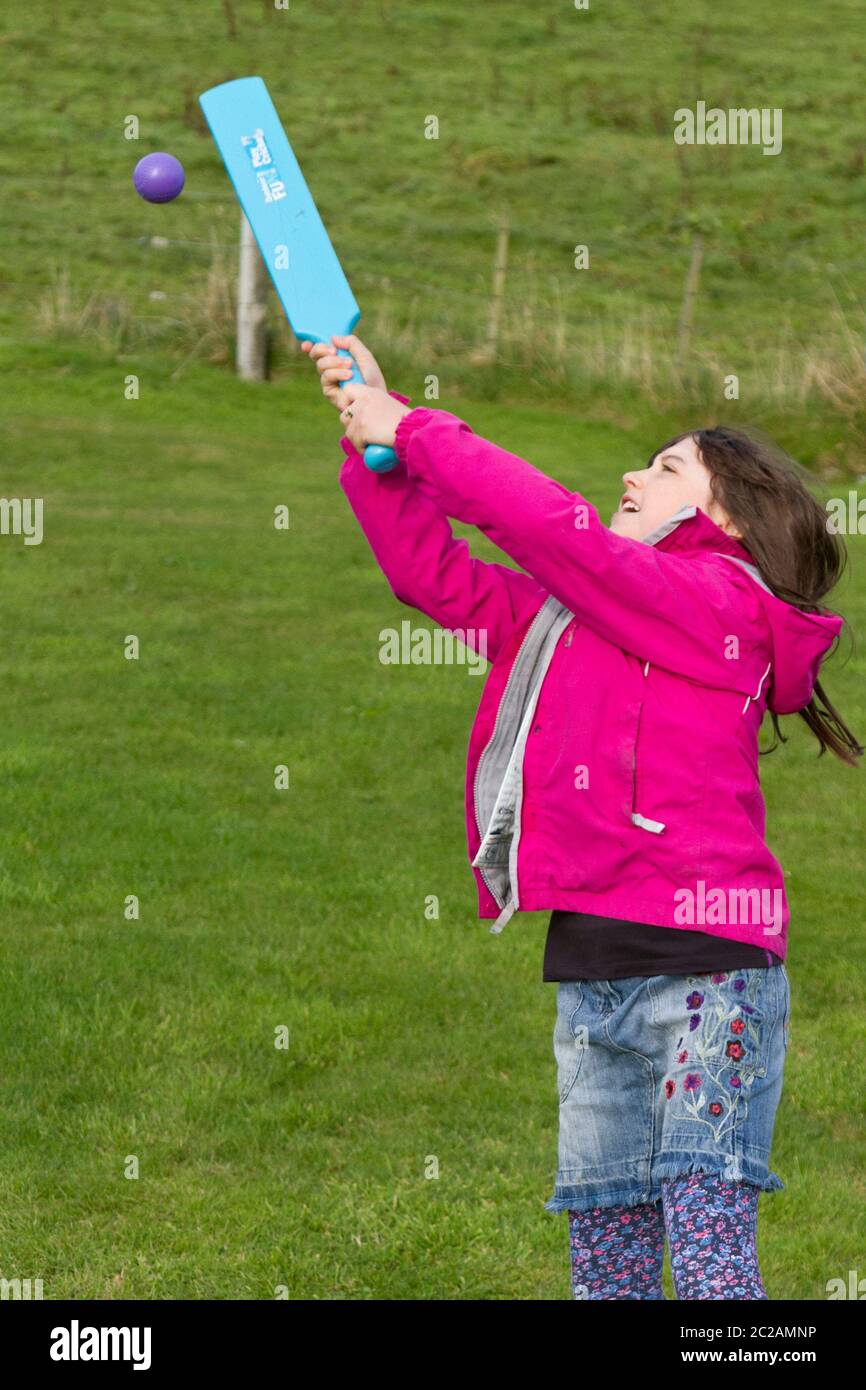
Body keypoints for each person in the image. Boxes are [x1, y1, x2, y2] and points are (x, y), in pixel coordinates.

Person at [302, 332, 862, 1300]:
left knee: (710, 1264)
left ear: (729, 518)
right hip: (591, 974)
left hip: (709, 977)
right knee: (607, 1272)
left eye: (666, 467)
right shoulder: (570, 616)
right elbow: (434, 578)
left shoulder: (718, 602)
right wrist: (376, 446)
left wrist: (418, 429)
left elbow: (556, 533)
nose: (631, 475)